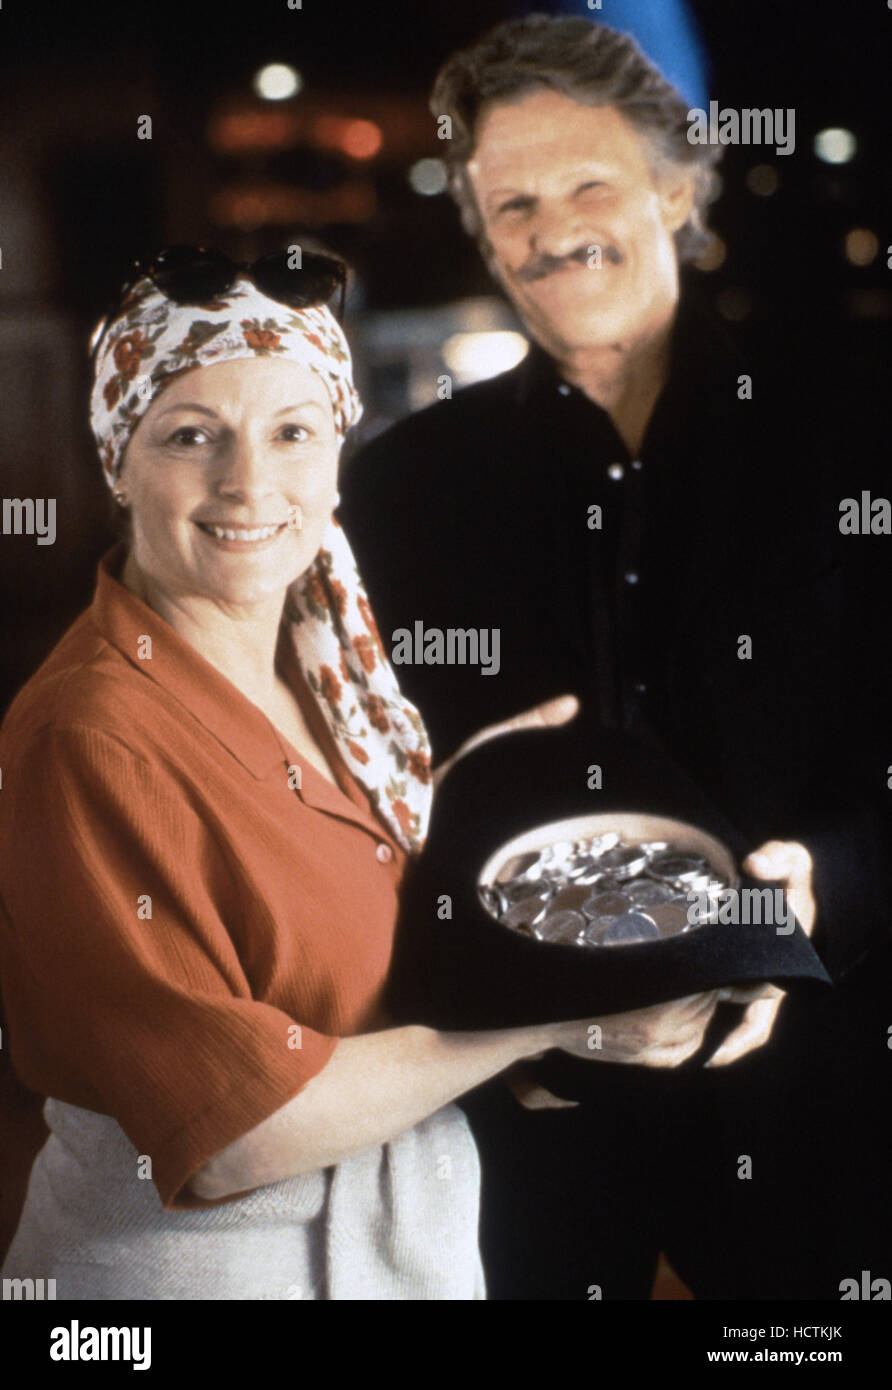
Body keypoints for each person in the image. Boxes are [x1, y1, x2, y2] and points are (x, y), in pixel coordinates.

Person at [0, 245, 730, 1300]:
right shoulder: (89, 732)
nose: (247, 482)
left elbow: (356, 955)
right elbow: (230, 1134)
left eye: (292, 432)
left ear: (337, 452)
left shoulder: (328, 673)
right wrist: (554, 1013)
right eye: (190, 435)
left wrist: (473, 820)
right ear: (117, 460)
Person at [340, 16, 892, 1299]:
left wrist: (839, 877)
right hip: (524, 1091)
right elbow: (365, 794)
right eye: (511, 201)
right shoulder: (405, 485)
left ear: (677, 186)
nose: (550, 228)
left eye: (588, 182)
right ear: (482, 232)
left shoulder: (856, 432)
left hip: (818, 1068)